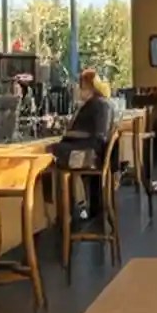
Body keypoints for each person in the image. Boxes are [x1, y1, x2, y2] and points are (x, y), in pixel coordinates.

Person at [57, 69, 114, 218]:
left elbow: (96, 134)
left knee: (49, 156)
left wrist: (68, 135)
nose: (78, 90)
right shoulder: (103, 103)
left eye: (80, 86)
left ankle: (63, 209)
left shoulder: (95, 105)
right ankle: (76, 205)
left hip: (88, 155)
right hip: (97, 153)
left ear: (88, 87)